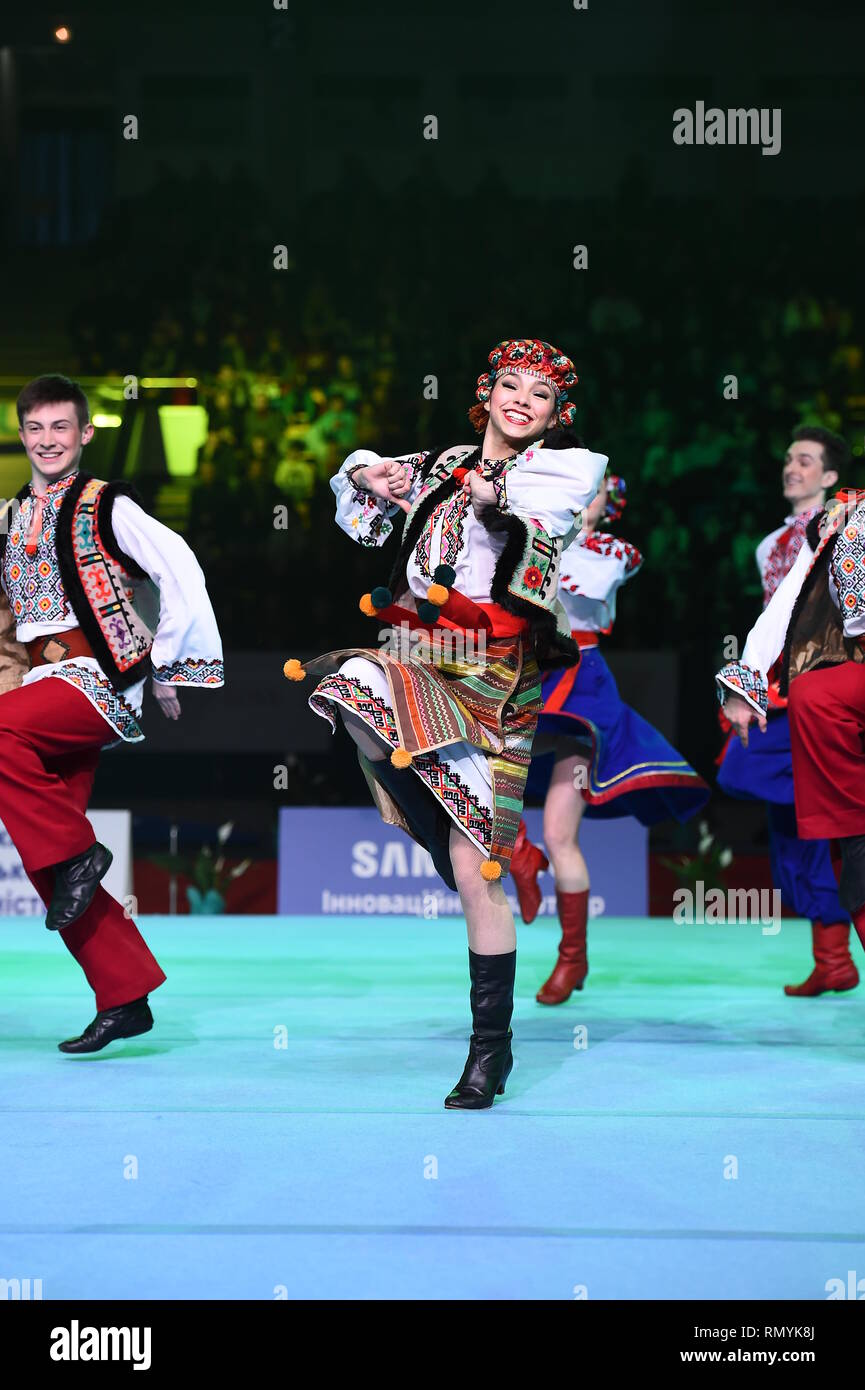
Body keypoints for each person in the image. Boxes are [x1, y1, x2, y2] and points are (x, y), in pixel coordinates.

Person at [285, 338, 606, 1108]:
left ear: (557, 412)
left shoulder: (564, 466)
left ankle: (488, 1054)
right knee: (348, 684)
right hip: (420, 651)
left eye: (539, 393)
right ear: (485, 391)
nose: (520, 399)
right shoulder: (445, 460)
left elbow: (545, 511)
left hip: (497, 678)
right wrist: (369, 471)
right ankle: (452, 831)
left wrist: (499, 501)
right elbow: (359, 502)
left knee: (474, 876)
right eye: (509, 384)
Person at [0, 374, 224, 1053]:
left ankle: (78, 857)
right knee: (50, 865)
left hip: (99, 675)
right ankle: (124, 993)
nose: (47, 440)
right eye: (35, 428)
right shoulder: (12, 513)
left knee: (44, 819)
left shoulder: (107, 504)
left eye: (60, 427)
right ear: (21, 434)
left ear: (84, 433)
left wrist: (170, 664)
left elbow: (179, 566)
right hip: (43, 678)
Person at [510, 474, 709, 1003]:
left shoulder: (613, 551)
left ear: (607, 503)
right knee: (469, 767)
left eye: (592, 488)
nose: (579, 493)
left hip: (579, 683)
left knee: (559, 834)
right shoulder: (531, 535)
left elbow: (580, 587)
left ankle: (572, 958)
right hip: (522, 674)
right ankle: (516, 852)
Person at [717, 426, 856, 996]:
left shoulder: (848, 524)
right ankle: (830, 956)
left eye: (806, 460)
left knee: (817, 816)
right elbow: (775, 617)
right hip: (780, 685)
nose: (791, 467)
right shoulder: (767, 545)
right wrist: (750, 685)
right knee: (780, 812)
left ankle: (836, 950)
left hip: (830, 676)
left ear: (829, 478)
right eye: (788, 458)